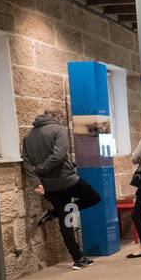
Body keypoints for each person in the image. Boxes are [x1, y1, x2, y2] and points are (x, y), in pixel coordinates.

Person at [21, 107, 102, 270]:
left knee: (65, 220)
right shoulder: (59, 130)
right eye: (63, 118)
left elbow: (26, 163)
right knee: (94, 198)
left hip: (49, 186)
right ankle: (55, 213)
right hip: (67, 181)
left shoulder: (28, 137)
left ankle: (78, 259)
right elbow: (58, 156)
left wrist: (37, 181)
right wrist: (41, 169)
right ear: (57, 117)